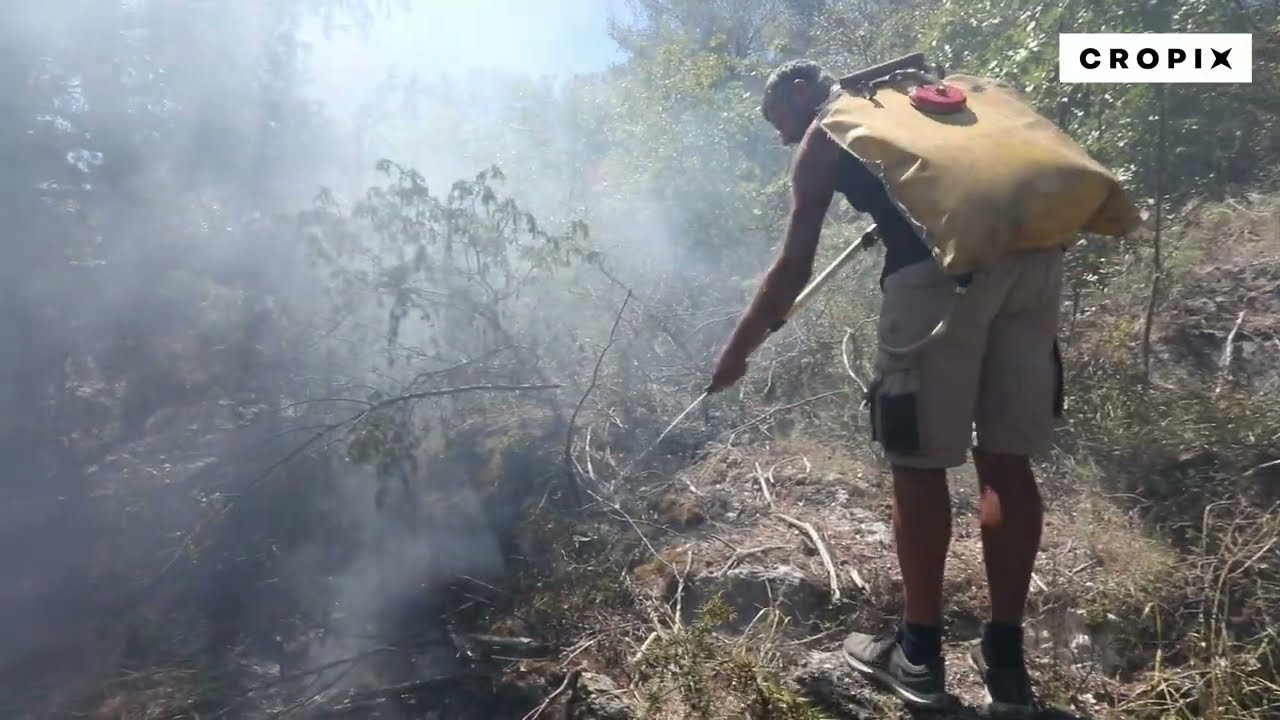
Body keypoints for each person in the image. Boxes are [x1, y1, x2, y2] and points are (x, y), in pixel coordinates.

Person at [707, 59, 1064, 717]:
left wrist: (735, 353)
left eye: (777, 120)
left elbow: (792, 268)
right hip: (1036, 268)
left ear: (799, 92)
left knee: (918, 463)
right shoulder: (918, 94)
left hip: (936, 285)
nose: (784, 136)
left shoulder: (828, 130)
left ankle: (919, 656)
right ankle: (1007, 670)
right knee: (1006, 465)